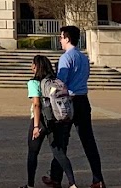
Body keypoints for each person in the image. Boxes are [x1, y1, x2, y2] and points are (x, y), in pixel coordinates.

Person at [42, 25, 105, 188]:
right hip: (83, 100)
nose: (60, 40)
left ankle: (56, 177)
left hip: (68, 102)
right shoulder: (83, 57)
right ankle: (97, 179)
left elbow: (60, 83)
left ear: (67, 38)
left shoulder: (65, 58)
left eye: (61, 37)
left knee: (61, 140)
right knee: (88, 141)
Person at [23, 54, 76, 188]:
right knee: (59, 153)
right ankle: (72, 183)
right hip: (55, 120)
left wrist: (36, 126)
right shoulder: (56, 81)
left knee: (33, 153)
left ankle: (30, 185)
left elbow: (36, 104)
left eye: (32, 64)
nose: (31, 66)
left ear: (36, 66)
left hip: (40, 120)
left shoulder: (34, 82)